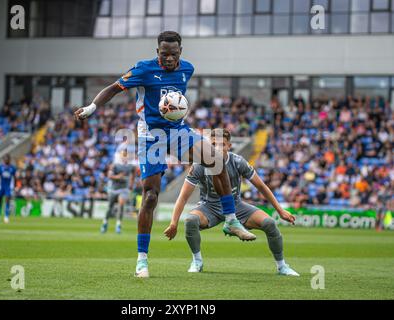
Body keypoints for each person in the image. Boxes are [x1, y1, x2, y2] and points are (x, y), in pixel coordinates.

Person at [74, 31, 253, 278]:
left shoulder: (187, 69)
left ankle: (231, 219)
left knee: (216, 159)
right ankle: (142, 260)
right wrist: (92, 107)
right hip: (151, 136)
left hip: (178, 131)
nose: (169, 58)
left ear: (181, 51)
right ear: (157, 51)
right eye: (164, 53)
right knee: (149, 196)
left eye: (173, 53)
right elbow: (114, 88)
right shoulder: (143, 69)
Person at [164, 129, 300, 276]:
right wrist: (173, 223)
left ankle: (282, 266)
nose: (217, 148)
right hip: (210, 206)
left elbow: (261, 186)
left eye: (222, 144)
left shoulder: (237, 161)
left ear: (229, 146)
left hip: (236, 206)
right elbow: (183, 197)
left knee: (270, 224)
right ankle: (197, 261)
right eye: (213, 144)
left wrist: (280, 211)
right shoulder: (199, 165)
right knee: (191, 220)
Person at [102, 148, 136, 234]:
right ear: (120, 156)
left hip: (124, 189)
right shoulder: (115, 165)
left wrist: (131, 184)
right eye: (123, 155)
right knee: (110, 207)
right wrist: (118, 177)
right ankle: (105, 223)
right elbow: (109, 176)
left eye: (126, 155)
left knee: (121, 205)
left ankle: (118, 225)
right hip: (114, 188)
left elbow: (133, 174)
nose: (125, 157)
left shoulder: (130, 166)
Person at [0, 154, 16, 224]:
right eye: (5, 158)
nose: (6, 160)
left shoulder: (12, 168)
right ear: (3, 159)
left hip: (8, 187)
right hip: (1, 186)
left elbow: (15, 177)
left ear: (9, 159)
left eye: (7, 158)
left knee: (7, 201)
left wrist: (14, 186)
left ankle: (6, 216)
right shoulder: (0, 167)